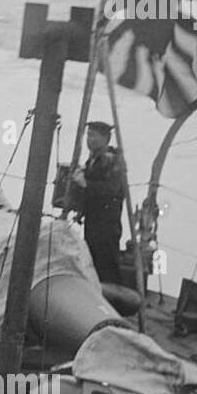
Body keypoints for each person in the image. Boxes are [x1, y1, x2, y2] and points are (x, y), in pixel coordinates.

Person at [74, 120, 128, 286]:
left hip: (107, 223)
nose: (90, 139)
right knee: (93, 259)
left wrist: (86, 184)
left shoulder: (112, 160)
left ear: (106, 138)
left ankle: (115, 301)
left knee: (106, 264)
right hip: (93, 220)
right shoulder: (93, 159)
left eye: (94, 136)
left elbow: (114, 190)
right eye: (88, 135)